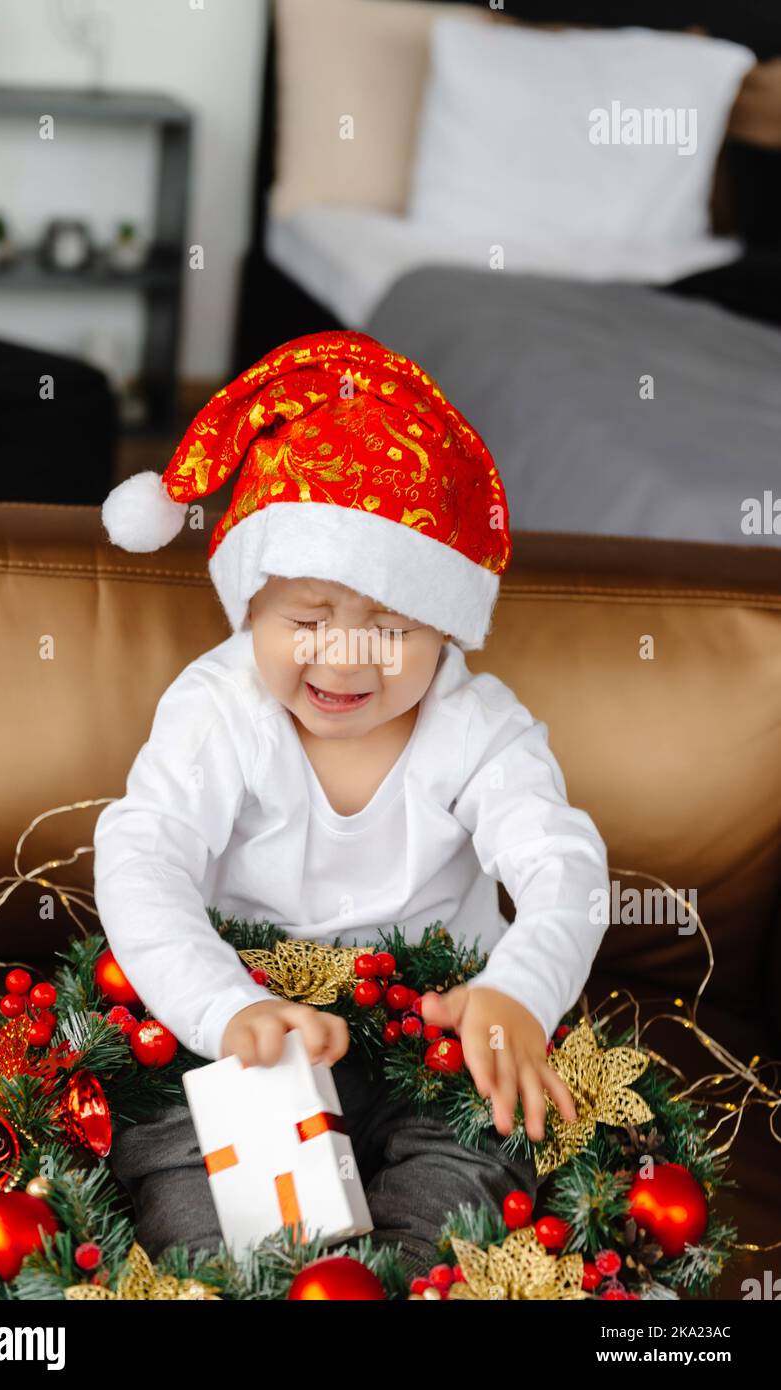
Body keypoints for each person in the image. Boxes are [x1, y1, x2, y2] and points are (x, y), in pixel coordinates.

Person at [93, 329, 610, 1280]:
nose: (343, 659)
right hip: (247, 1026)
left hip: (429, 1035)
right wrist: (225, 1009)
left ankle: (408, 1276)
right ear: (249, 607)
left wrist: (519, 992)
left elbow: (564, 866)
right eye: (305, 619)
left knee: (479, 1151)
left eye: (392, 628)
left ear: (445, 627)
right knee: (174, 1142)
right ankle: (240, 1280)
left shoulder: (479, 727)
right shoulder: (220, 710)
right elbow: (142, 857)